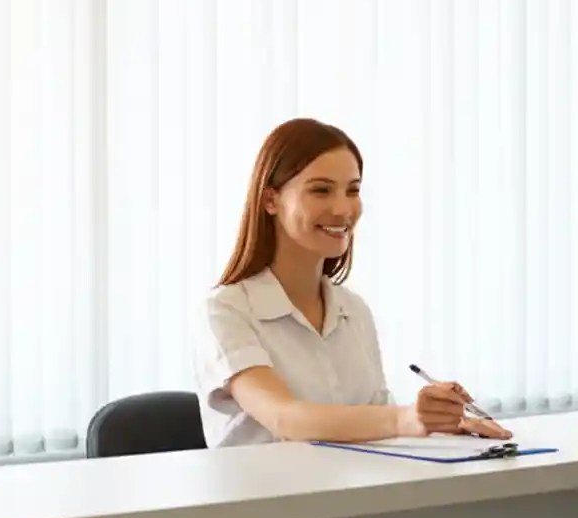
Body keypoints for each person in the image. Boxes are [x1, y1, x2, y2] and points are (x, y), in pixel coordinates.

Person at [192, 117, 510, 447]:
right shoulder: (224, 310)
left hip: (350, 494)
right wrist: (406, 418)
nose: (343, 208)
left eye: (353, 190)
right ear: (271, 200)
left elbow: (376, 429)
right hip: (265, 497)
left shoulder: (353, 310)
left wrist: (442, 422)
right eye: (320, 190)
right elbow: (285, 418)